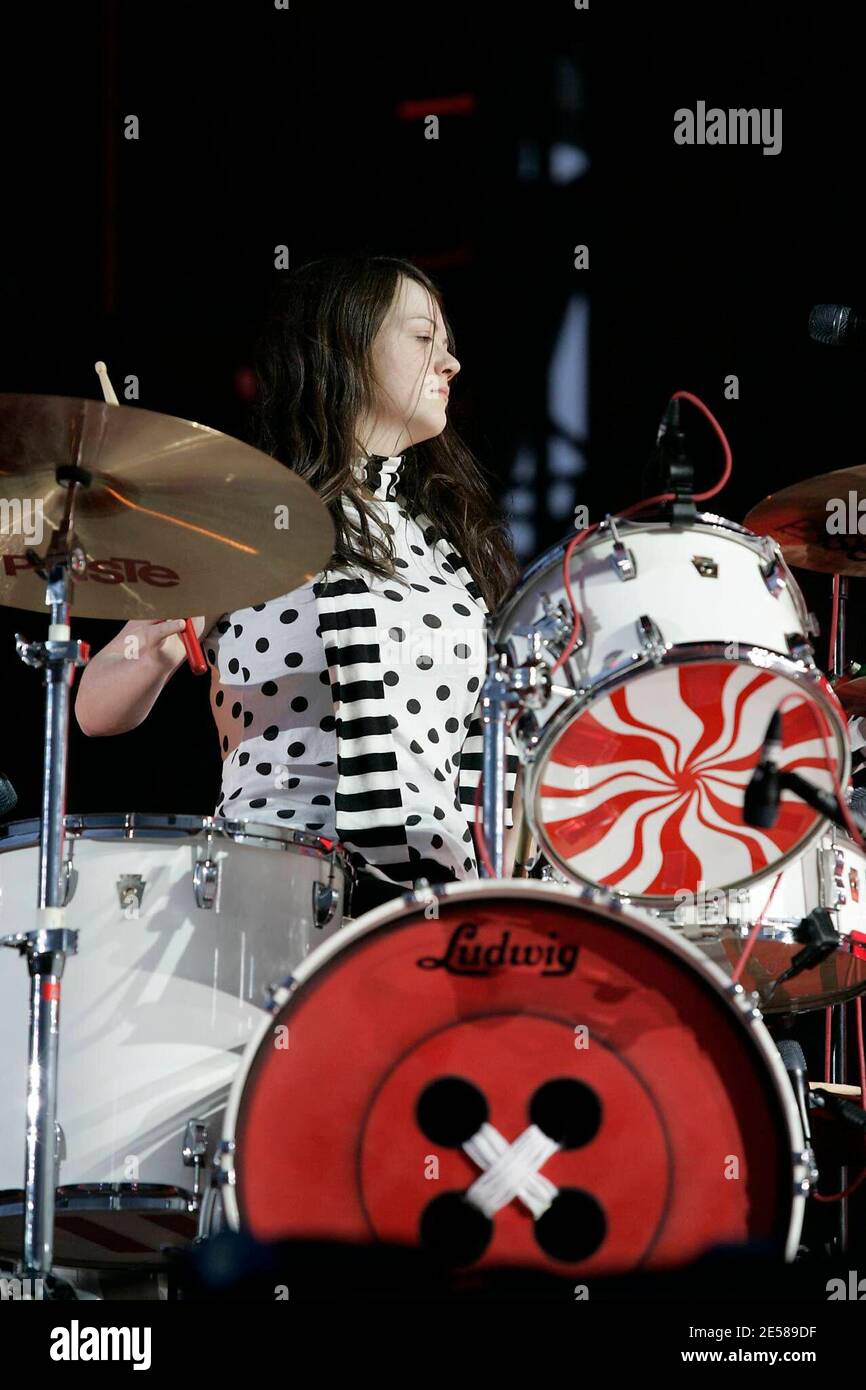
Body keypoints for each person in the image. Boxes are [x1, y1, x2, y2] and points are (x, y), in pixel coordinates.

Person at [75, 253, 520, 917]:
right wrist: (158, 631)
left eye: (449, 346)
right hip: (273, 878)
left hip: (436, 898)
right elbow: (96, 711)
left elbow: (501, 769)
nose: (450, 363)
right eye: (424, 339)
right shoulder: (249, 526)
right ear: (345, 348)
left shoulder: (454, 549)